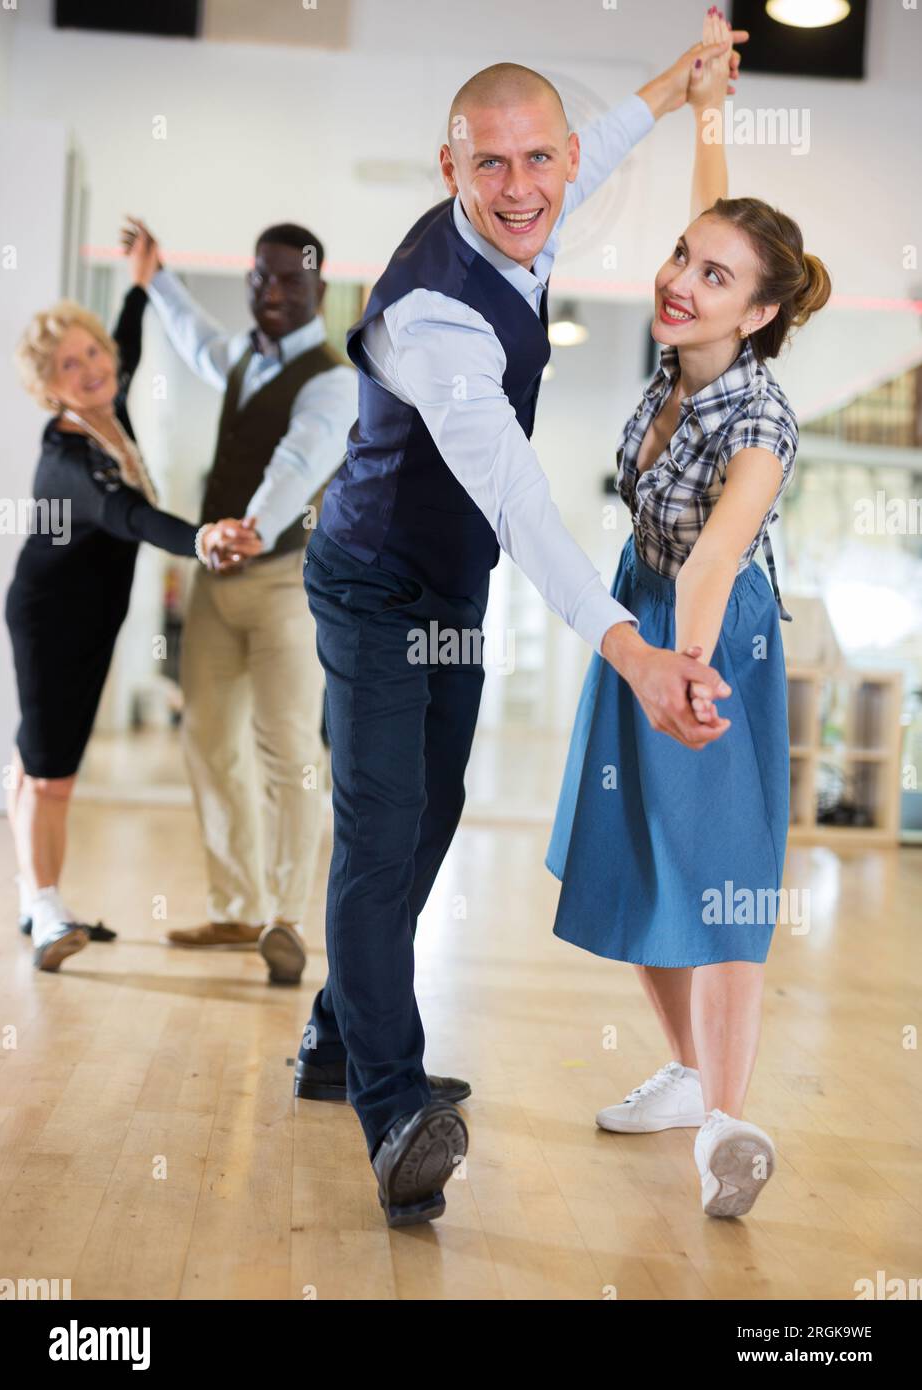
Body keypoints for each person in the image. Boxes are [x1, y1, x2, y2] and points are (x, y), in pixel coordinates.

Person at [293, 23, 749, 1227]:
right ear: (449, 168)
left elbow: (590, 149)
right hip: (372, 579)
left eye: (534, 159)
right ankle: (393, 1109)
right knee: (382, 831)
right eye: (488, 165)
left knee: (432, 815)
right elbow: (520, 503)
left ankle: (336, 1035)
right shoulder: (434, 320)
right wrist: (632, 647)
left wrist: (677, 85)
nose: (522, 187)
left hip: (450, 588)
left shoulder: (539, 194)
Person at [546, 9, 832, 1218]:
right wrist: (707, 113)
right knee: (634, 857)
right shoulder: (681, 355)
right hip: (637, 613)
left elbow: (716, 560)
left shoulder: (757, 417)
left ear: (755, 313)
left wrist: (686, 669)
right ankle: (682, 1074)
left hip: (713, 633)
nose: (678, 278)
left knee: (718, 882)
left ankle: (724, 1125)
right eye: (678, 256)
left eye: (712, 277)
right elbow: (719, 226)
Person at [121, 218, 358, 985]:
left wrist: (246, 530)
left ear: (319, 288)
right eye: (262, 276)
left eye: (291, 278)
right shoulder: (238, 359)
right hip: (215, 583)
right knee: (208, 739)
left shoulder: (332, 376)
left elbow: (300, 460)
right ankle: (237, 905)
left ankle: (286, 916)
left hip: (287, 582)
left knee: (288, 747)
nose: (274, 290)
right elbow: (194, 338)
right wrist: (156, 276)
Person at [5, 240, 248, 972]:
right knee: (51, 771)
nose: (90, 370)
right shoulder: (71, 458)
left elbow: (127, 351)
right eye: (68, 368)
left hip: (90, 611)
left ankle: (31, 896)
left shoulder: (105, 407)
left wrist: (140, 288)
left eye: (91, 354)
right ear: (50, 388)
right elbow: (135, 519)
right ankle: (47, 908)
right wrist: (201, 536)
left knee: (33, 761)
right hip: (52, 620)